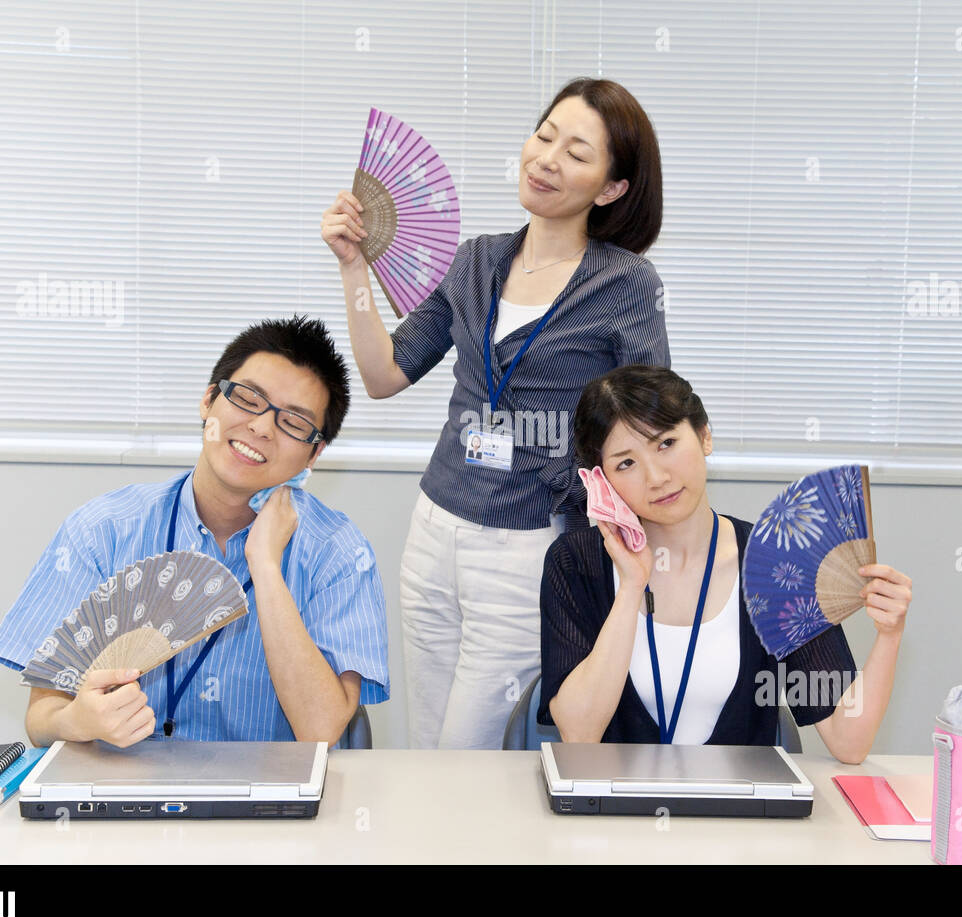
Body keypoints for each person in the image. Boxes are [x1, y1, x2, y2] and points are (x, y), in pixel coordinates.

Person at [322, 78, 670, 749]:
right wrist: (353, 270)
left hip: (528, 545)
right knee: (427, 745)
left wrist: (597, 509)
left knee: (467, 752)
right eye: (544, 137)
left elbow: (649, 424)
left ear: (610, 188)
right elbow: (383, 373)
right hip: (434, 530)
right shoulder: (475, 260)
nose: (546, 159)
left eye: (576, 152)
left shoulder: (625, 283)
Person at [0, 317, 390, 747]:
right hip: (123, 795)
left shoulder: (339, 554)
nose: (262, 427)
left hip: (270, 802)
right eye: (250, 399)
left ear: (315, 453)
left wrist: (266, 566)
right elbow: (42, 718)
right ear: (209, 400)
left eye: (293, 422)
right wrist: (75, 722)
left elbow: (322, 731)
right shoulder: (102, 533)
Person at [540, 366, 912, 761]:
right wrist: (631, 585)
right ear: (602, 483)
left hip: (740, 816)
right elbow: (579, 735)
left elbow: (848, 740)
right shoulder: (575, 563)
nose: (656, 477)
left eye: (666, 443)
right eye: (626, 463)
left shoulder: (775, 565)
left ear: (705, 436)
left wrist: (890, 635)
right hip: (618, 812)